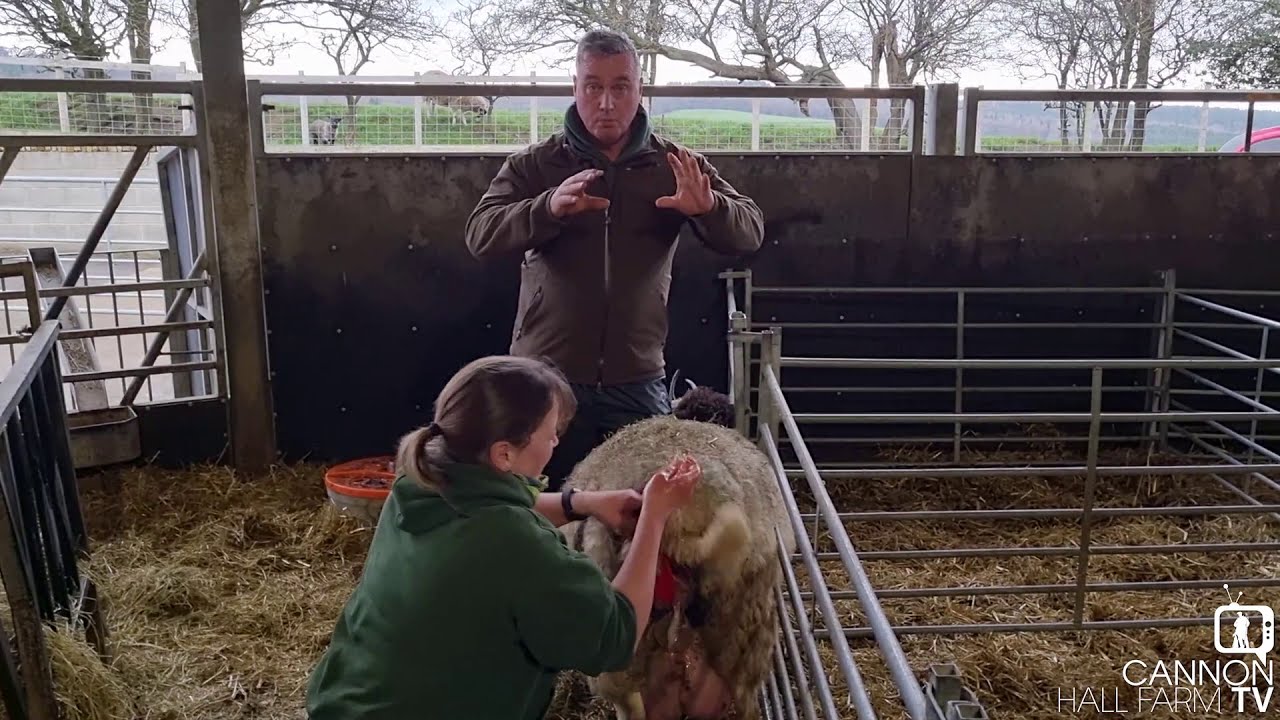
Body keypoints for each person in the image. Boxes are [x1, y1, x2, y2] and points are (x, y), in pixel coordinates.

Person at [305, 355, 701, 719]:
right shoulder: (516, 544)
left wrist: (581, 502)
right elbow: (615, 637)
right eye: (550, 433)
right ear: (504, 455)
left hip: (345, 703)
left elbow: (493, 506)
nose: (556, 442)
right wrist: (655, 515)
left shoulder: (416, 485)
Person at [464, 28, 765, 490]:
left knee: (651, 506)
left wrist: (709, 208)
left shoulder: (676, 166)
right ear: (576, 87)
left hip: (637, 375)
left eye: (620, 86)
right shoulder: (536, 164)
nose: (606, 102)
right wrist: (546, 208)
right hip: (545, 374)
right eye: (593, 86)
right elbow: (480, 233)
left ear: (640, 90)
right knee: (532, 502)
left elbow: (750, 229)